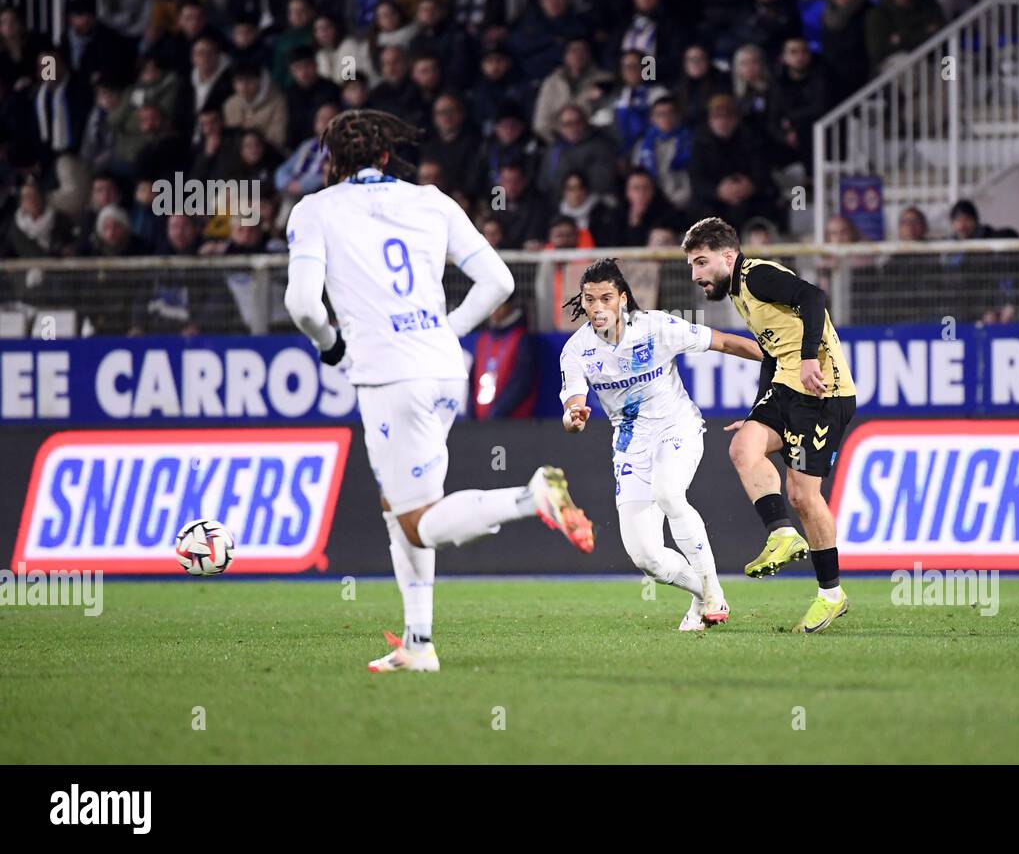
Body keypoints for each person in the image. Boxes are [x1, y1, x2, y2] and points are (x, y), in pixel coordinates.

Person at [283, 109, 595, 673]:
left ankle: (530, 498)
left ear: (332, 161)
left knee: (417, 519)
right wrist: (445, 331)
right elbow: (498, 281)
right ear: (385, 156)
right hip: (444, 365)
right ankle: (418, 643)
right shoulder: (432, 200)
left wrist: (330, 347)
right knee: (397, 504)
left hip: (388, 375)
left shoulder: (314, 210)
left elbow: (302, 305)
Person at [559, 259, 762, 631]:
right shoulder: (576, 350)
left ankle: (714, 592)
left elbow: (725, 342)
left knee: (669, 493)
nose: (597, 307)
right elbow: (572, 404)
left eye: (606, 298)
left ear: (622, 298)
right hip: (630, 445)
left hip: (677, 426)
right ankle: (701, 595)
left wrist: (783, 363)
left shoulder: (656, 327)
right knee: (646, 558)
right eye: (589, 300)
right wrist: (574, 418)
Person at [683, 217, 858, 634]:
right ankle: (782, 535)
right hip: (784, 388)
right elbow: (770, 352)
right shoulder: (740, 292)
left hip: (822, 393)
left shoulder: (757, 275)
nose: (696, 275)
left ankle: (831, 595)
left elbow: (813, 296)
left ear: (728, 256)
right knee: (744, 447)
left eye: (702, 263)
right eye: (692, 266)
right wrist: (758, 409)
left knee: (803, 495)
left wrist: (811, 356)